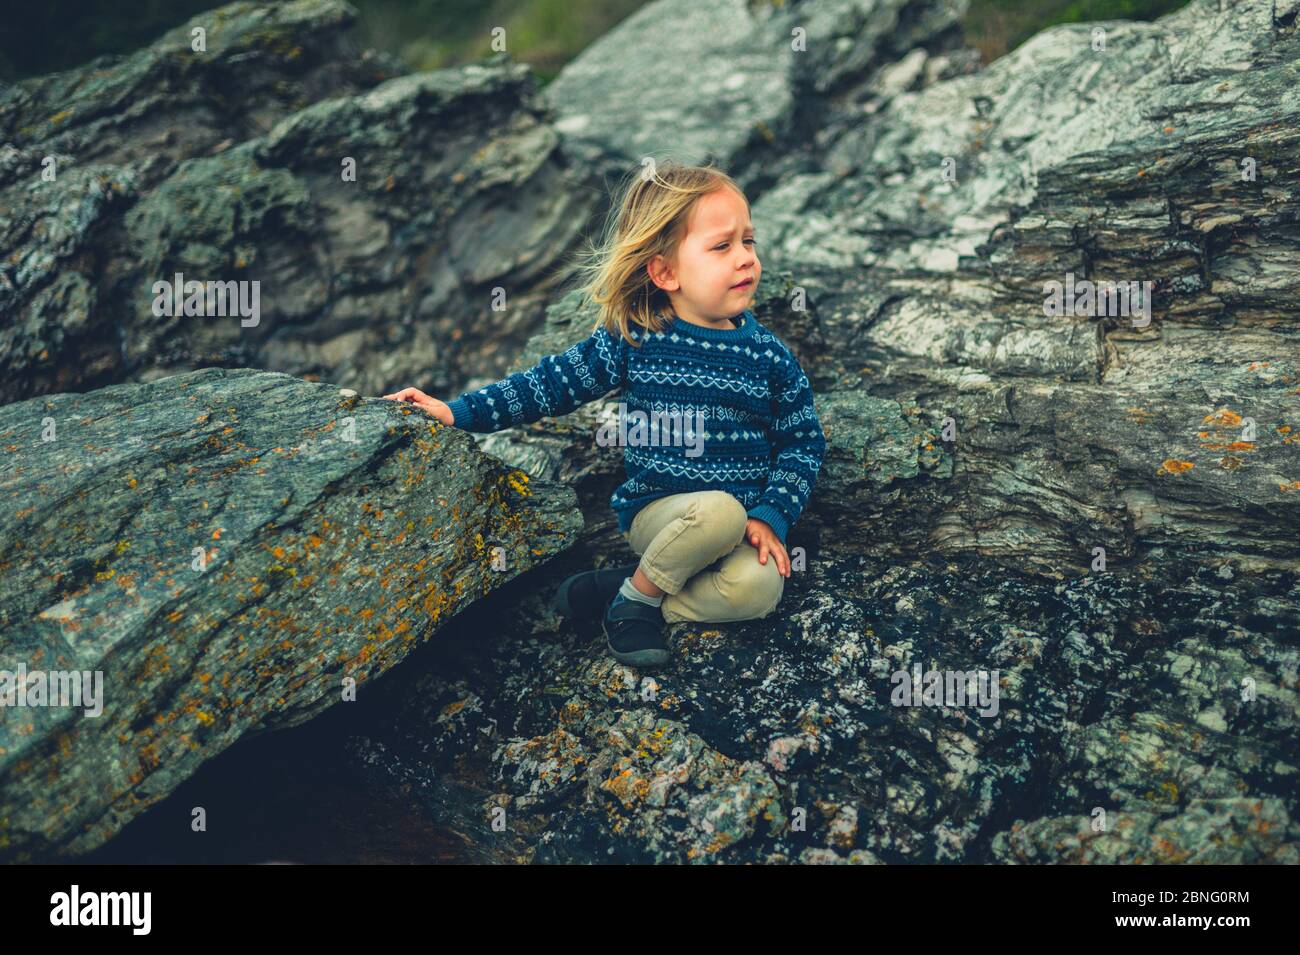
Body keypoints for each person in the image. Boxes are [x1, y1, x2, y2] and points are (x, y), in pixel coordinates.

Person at [383, 161, 825, 669]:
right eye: (722, 246)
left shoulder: (768, 356)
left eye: (749, 241)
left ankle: (626, 588)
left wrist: (772, 513)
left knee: (759, 590)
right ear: (664, 271)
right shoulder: (635, 336)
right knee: (717, 512)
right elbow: (548, 385)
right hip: (661, 514)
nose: (746, 258)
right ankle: (637, 604)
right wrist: (457, 412)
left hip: (739, 525)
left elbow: (802, 443)